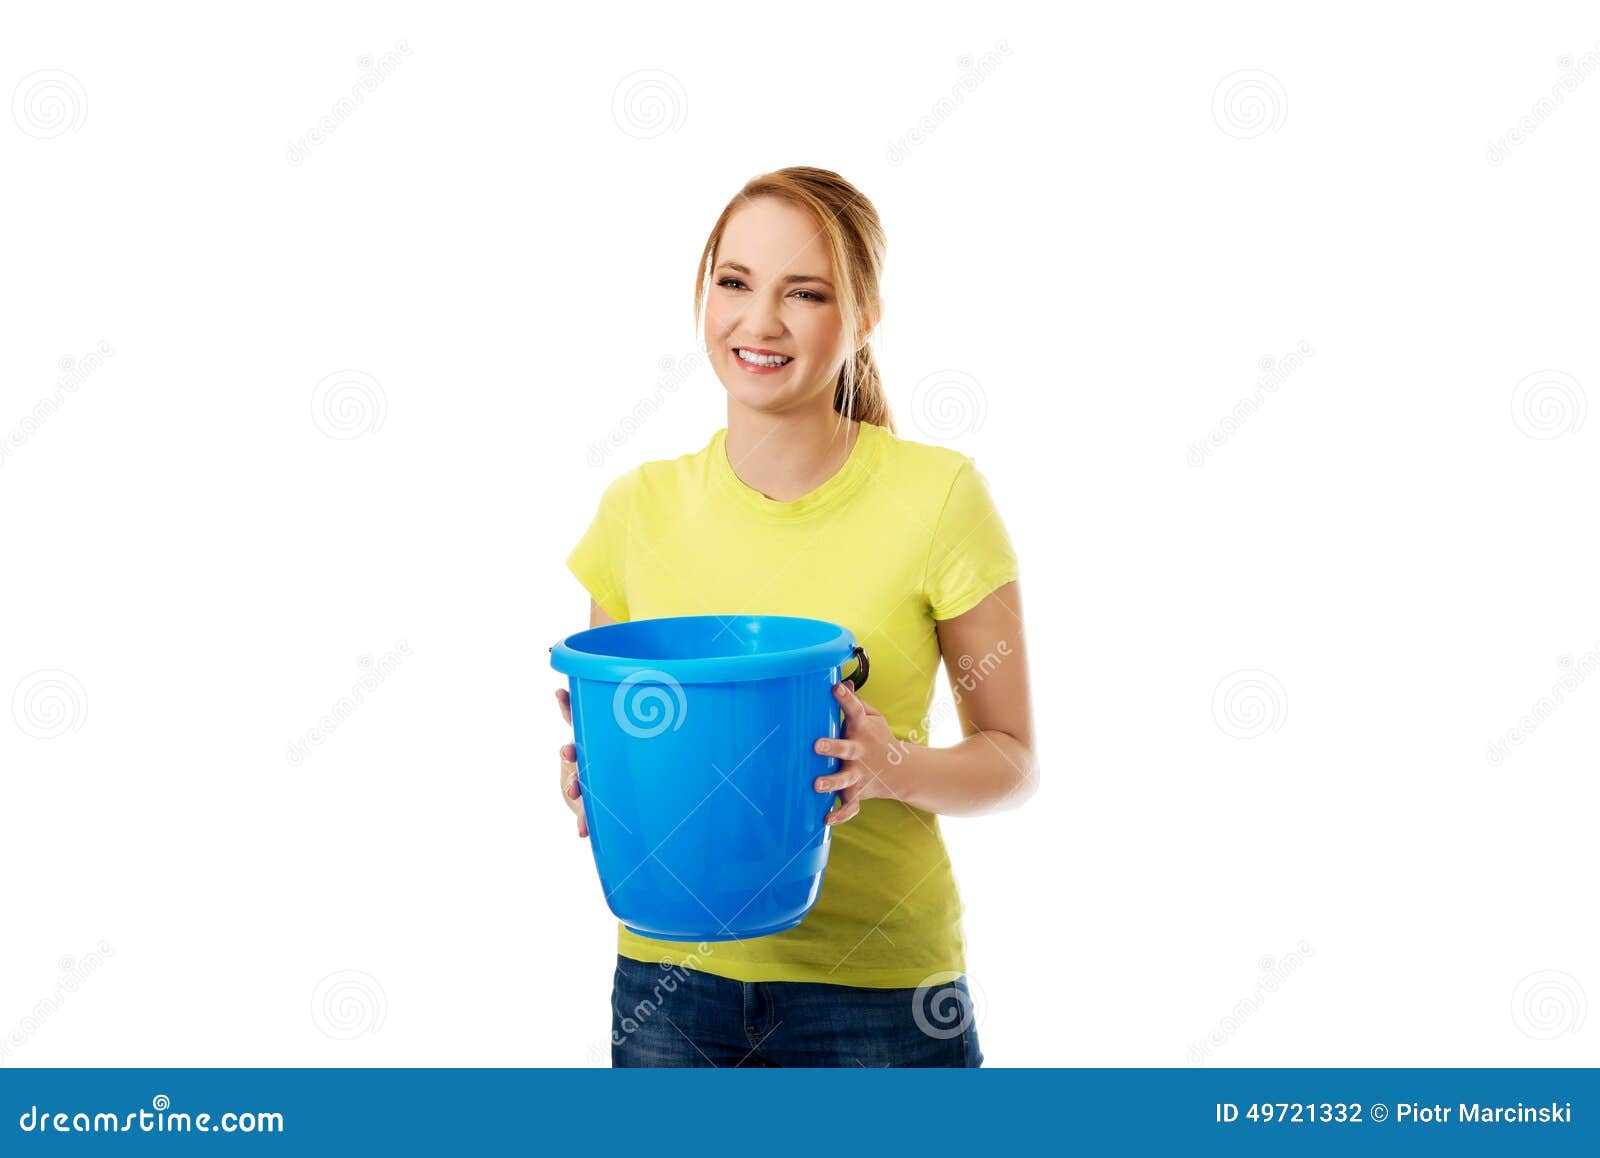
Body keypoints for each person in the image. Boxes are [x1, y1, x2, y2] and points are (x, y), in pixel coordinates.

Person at [557, 166, 1037, 1066]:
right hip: (669, 986)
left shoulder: (939, 498)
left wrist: (890, 769)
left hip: (882, 994)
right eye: (734, 282)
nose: (760, 321)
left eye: (804, 293)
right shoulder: (636, 511)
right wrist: (606, 767)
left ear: (863, 317)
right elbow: (618, 723)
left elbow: (1012, 760)